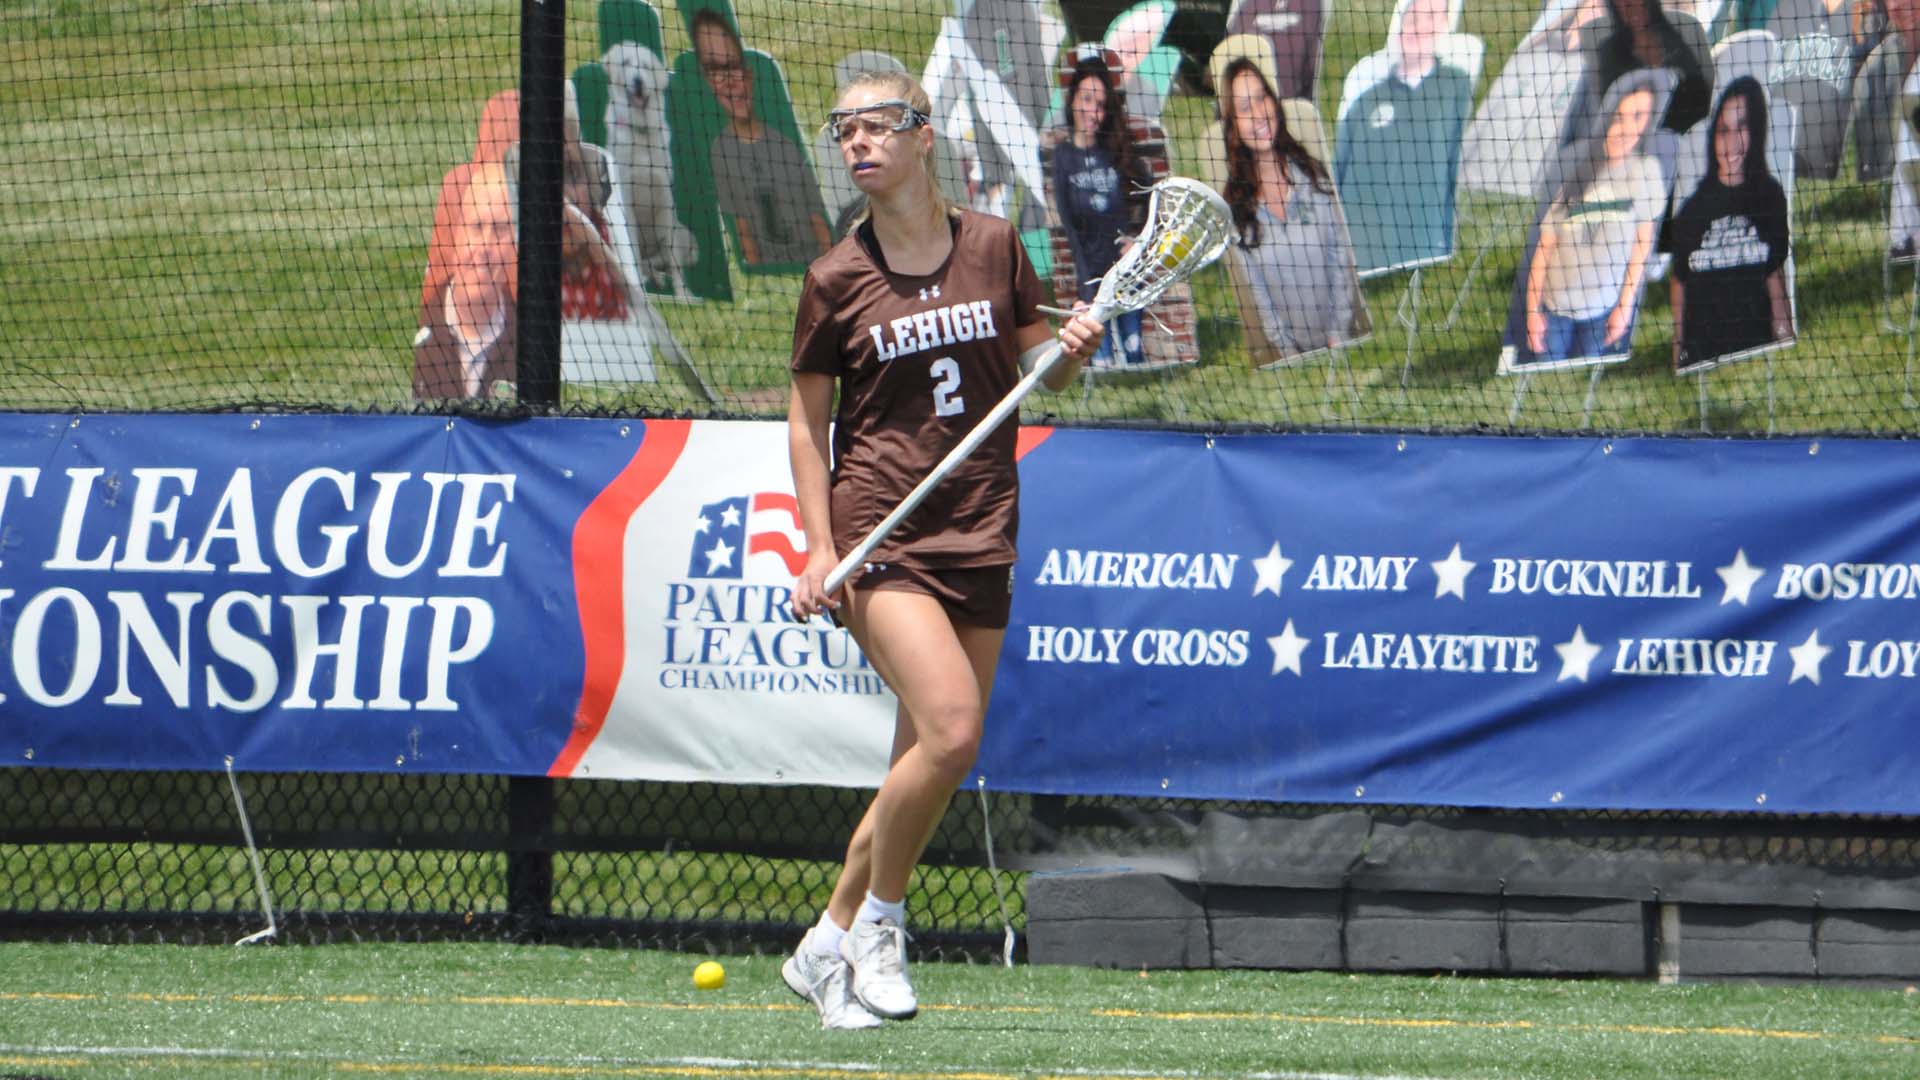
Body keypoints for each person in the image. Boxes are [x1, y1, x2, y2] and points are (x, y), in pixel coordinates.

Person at [784, 70, 1103, 1030]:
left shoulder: (996, 247)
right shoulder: (835, 279)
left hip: (981, 524)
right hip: (883, 534)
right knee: (954, 730)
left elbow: (1038, 358)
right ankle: (883, 925)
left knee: (923, 759)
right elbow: (807, 427)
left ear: (925, 136)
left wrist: (1073, 348)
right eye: (845, 131)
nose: (858, 144)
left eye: (878, 127)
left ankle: (823, 943)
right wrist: (817, 548)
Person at [1218, 56, 1367, 360]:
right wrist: (1288, 350)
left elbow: (1339, 261)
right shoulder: (1235, 208)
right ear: (1233, 126)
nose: (1259, 113)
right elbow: (1258, 294)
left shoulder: (1313, 178)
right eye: (1245, 108)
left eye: (1262, 99)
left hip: (1341, 347)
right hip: (1291, 359)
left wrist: (1336, 336)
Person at [1522, 71, 1669, 363]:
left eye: (1638, 118)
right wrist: (1532, 310)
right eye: (1619, 117)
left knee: (1582, 382)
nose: (1625, 129)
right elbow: (1545, 245)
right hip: (1554, 308)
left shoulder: (1646, 172)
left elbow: (1642, 246)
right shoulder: (1577, 168)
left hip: (1603, 311)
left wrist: (1624, 307)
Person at [1333, 0, 1476, 274]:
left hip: (1420, 256)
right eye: (1412, 17)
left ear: (1444, 27)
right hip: (1358, 255)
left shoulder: (1457, 88)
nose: (1418, 25)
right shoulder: (1366, 100)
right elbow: (1336, 173)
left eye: (1431, 16)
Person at [1668, 77, 1793, 370]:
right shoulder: (1692, 211)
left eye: (1742, 127)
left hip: (1754, 351)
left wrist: (1785, 340)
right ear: (1713, 136)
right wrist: (1679, 354)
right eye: (1723, 129)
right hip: (1703, 356)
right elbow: (1679, 283)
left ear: (1757, 131)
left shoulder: (1769, 197)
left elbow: (1774, 277)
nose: (1732, 142)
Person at [693, 10, 833, 268]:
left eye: (734, 67)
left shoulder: (784, 146)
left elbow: (817, 217)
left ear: (749, 74)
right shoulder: (720, 152)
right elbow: (741, 226)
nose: (730, 82)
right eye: (716, 71)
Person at [1052, 49, 1150, 369]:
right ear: (1072, 100)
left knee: (1134, 354)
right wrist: (1082, 289)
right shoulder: (1063, 158)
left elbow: (1151, 196)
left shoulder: (1116, 149)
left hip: (1126, 275)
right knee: (1102, 363)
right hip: (1093, 279)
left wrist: (1136, 237)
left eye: (1100, 104)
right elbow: (1070, 229)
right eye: (1086, 99)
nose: (1092, 111)